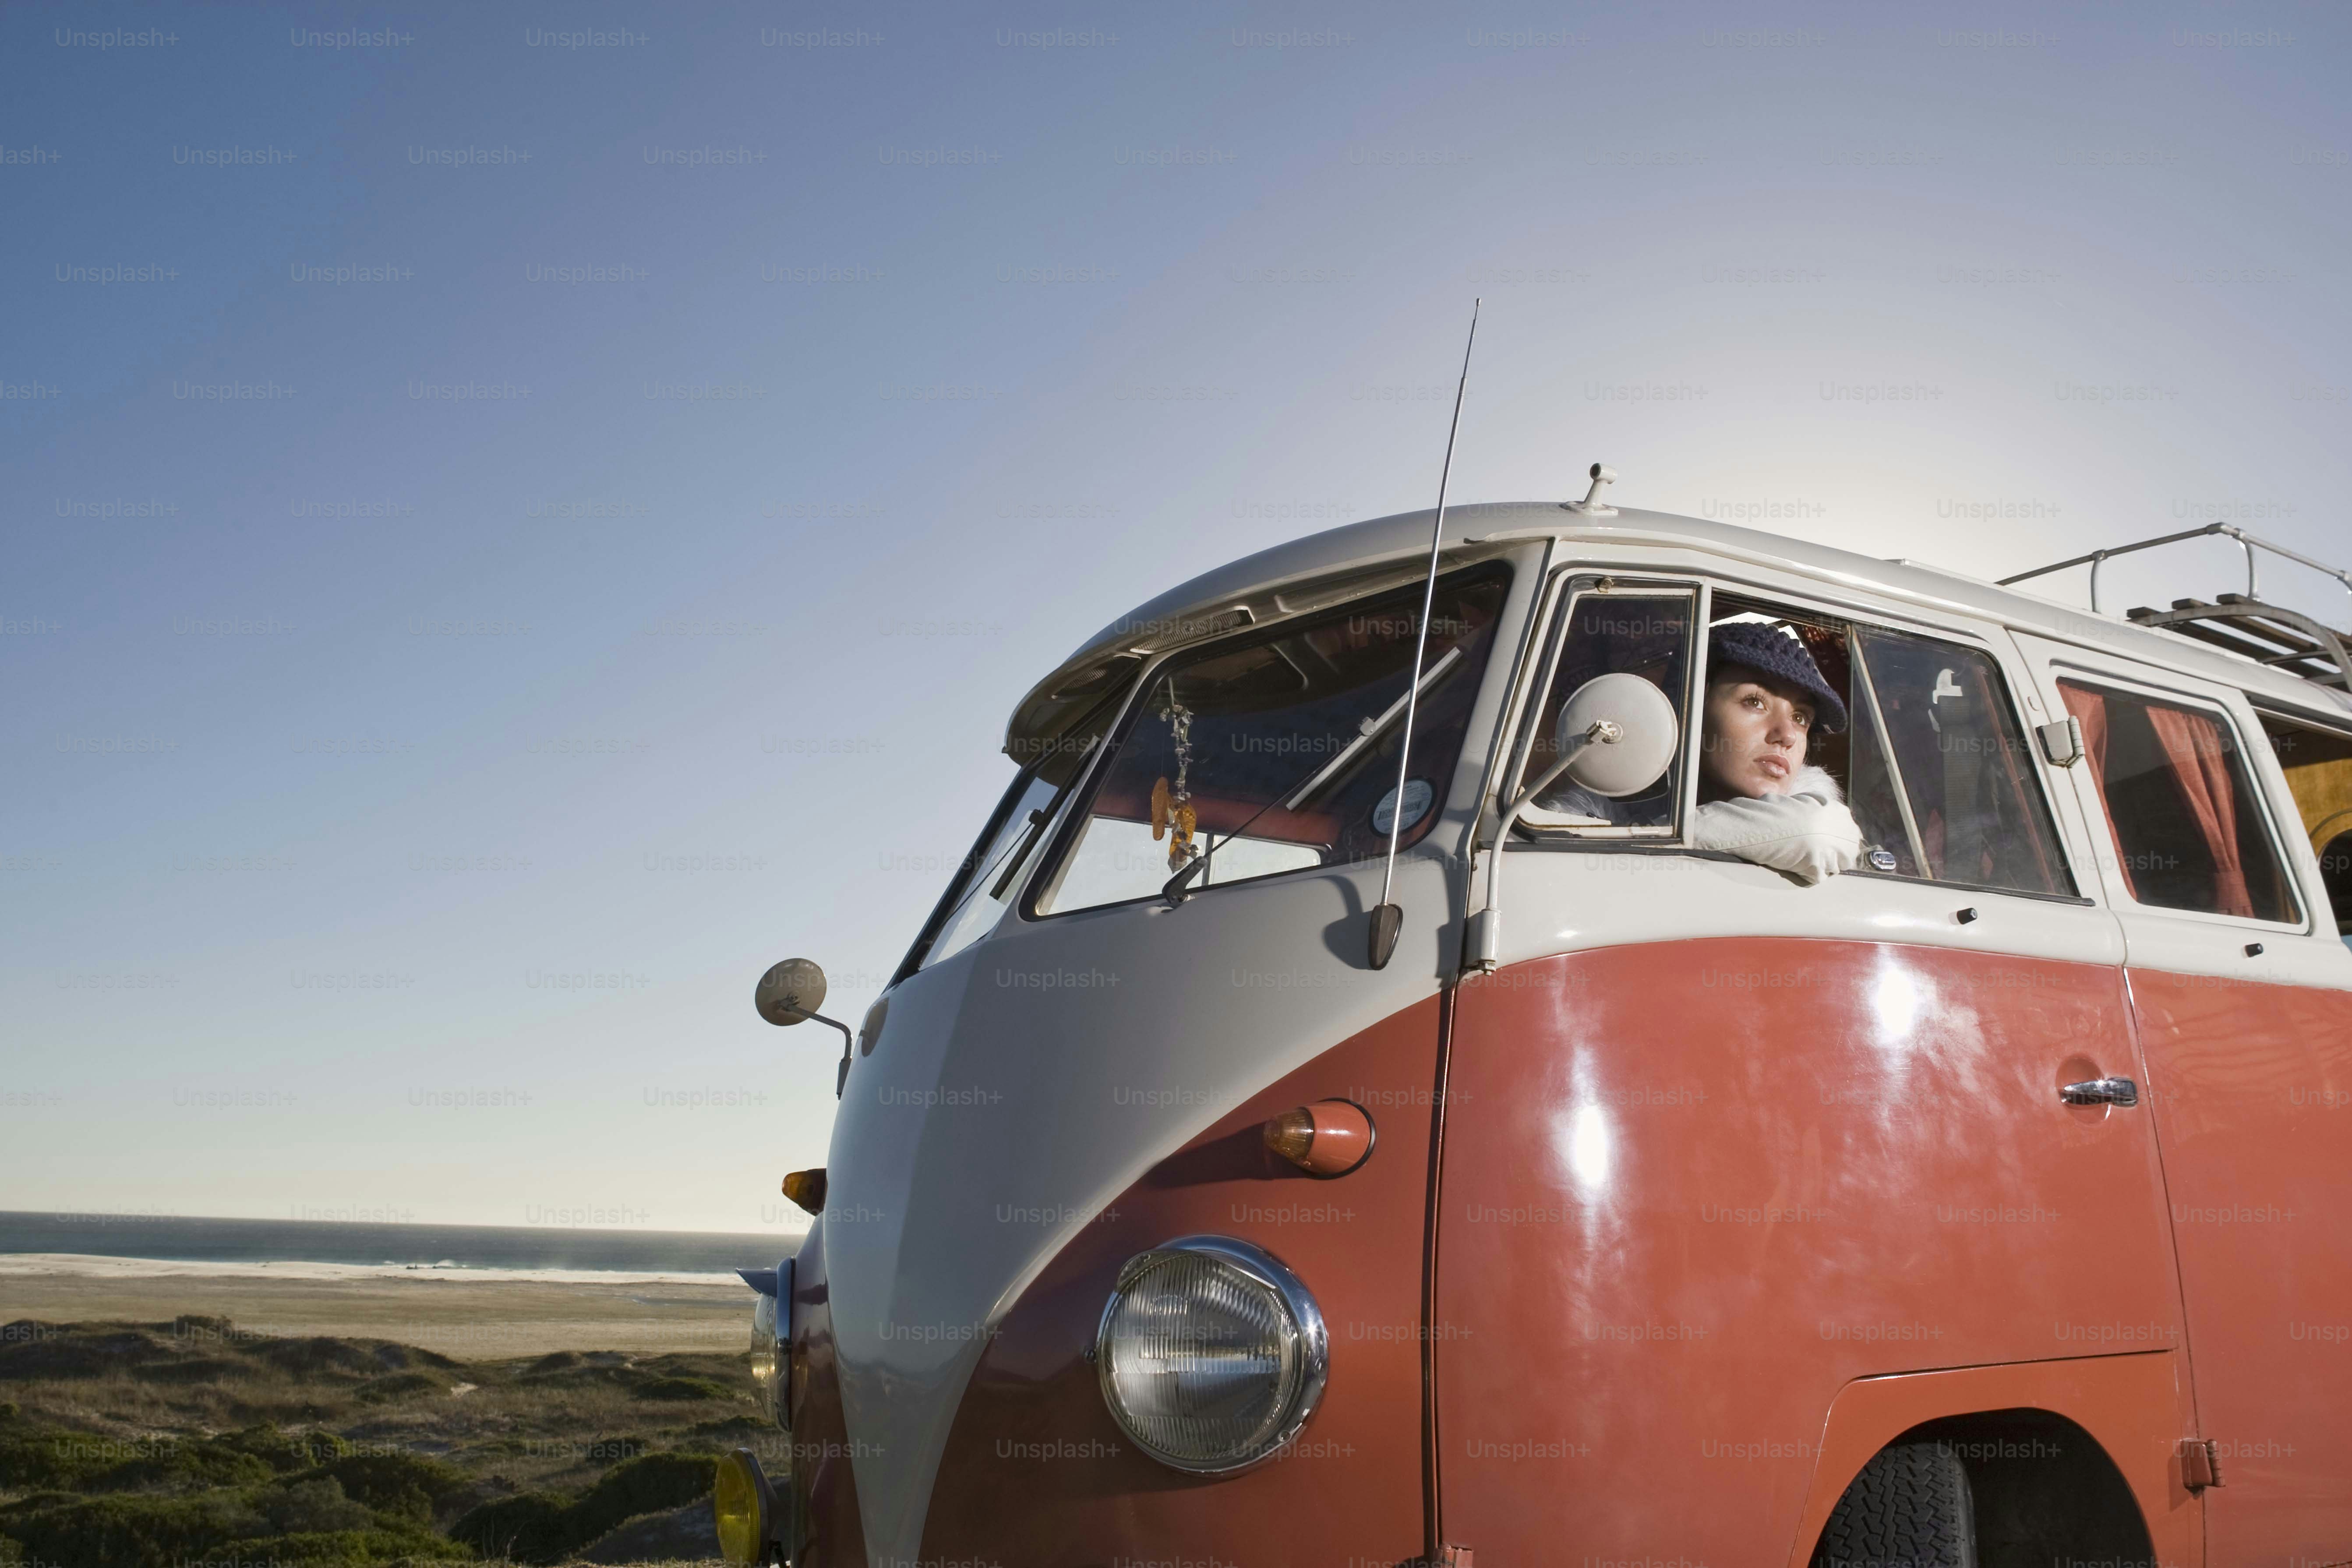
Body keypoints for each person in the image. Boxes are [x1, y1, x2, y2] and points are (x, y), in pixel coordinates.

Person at [1540, 621, 1864, 884]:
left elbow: (1815, 832)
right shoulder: (1577, 828)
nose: (1788, 735)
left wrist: (1657, 838)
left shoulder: (1826, 825)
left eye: (1800, 718)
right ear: (1687, 711)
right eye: (1755, 701)